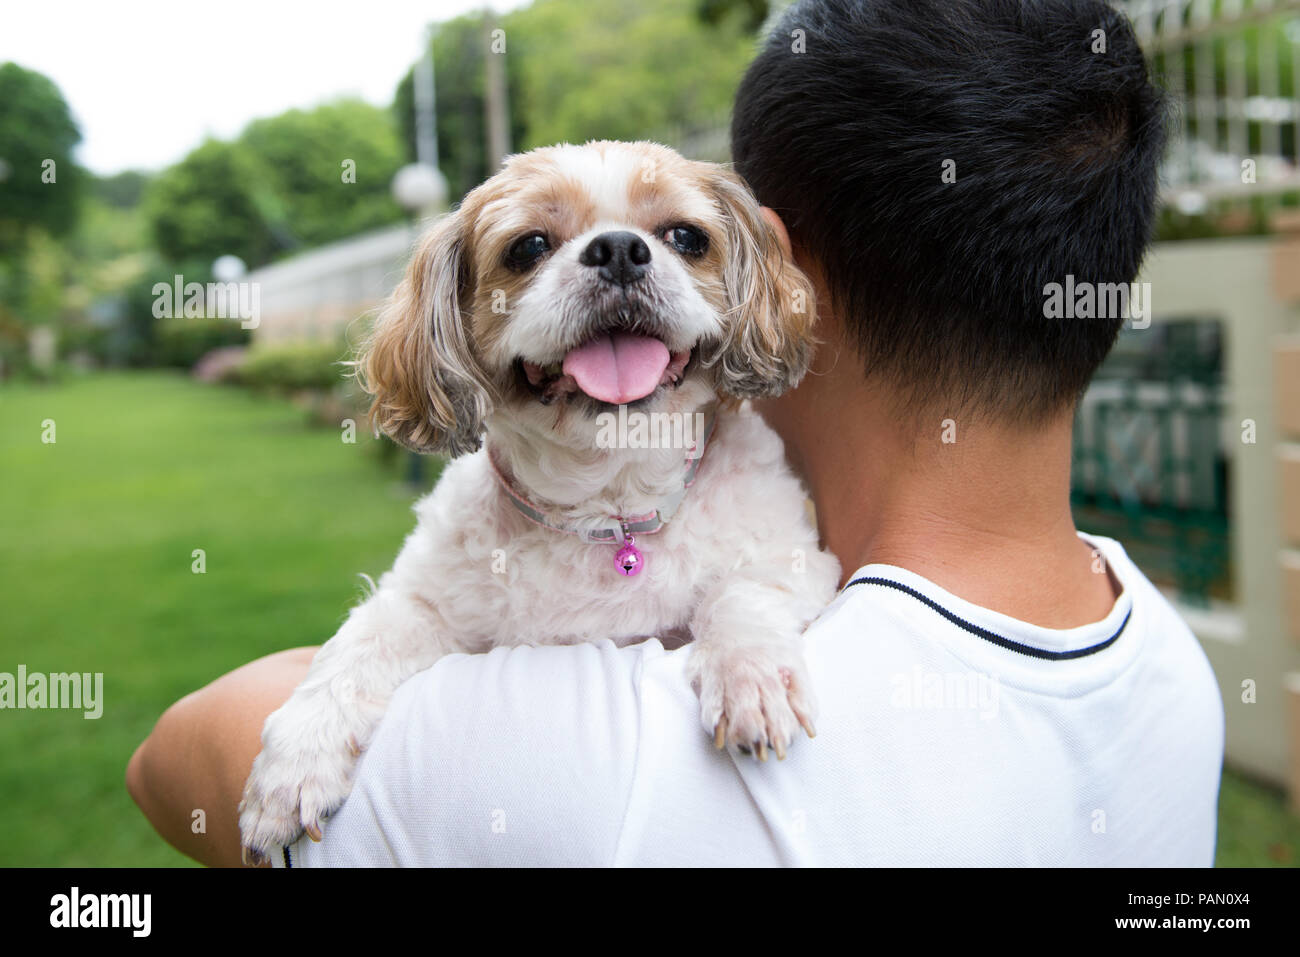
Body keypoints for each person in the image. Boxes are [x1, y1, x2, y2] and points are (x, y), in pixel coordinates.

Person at [127, 0, 1224, 867]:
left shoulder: (604, 766)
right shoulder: (1172, 673)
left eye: (677, 239)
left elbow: (178, 759)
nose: (614, 264)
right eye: (532, 251)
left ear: (780, 272)